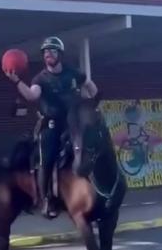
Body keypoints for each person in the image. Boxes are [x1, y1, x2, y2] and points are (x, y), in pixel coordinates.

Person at [5, 36, 98, 218]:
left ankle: (101, 191)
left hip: (74, 124)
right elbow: (32, 96)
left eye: (52, 51)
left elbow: (90, 86)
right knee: (46, 158)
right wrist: (17, 81)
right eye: (45, 52)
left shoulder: (73, 73)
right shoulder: (40, 78)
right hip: (53, 126)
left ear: (59, 54)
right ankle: (47, 200)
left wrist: (92, 103)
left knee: (94, 146)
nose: (48, 54)